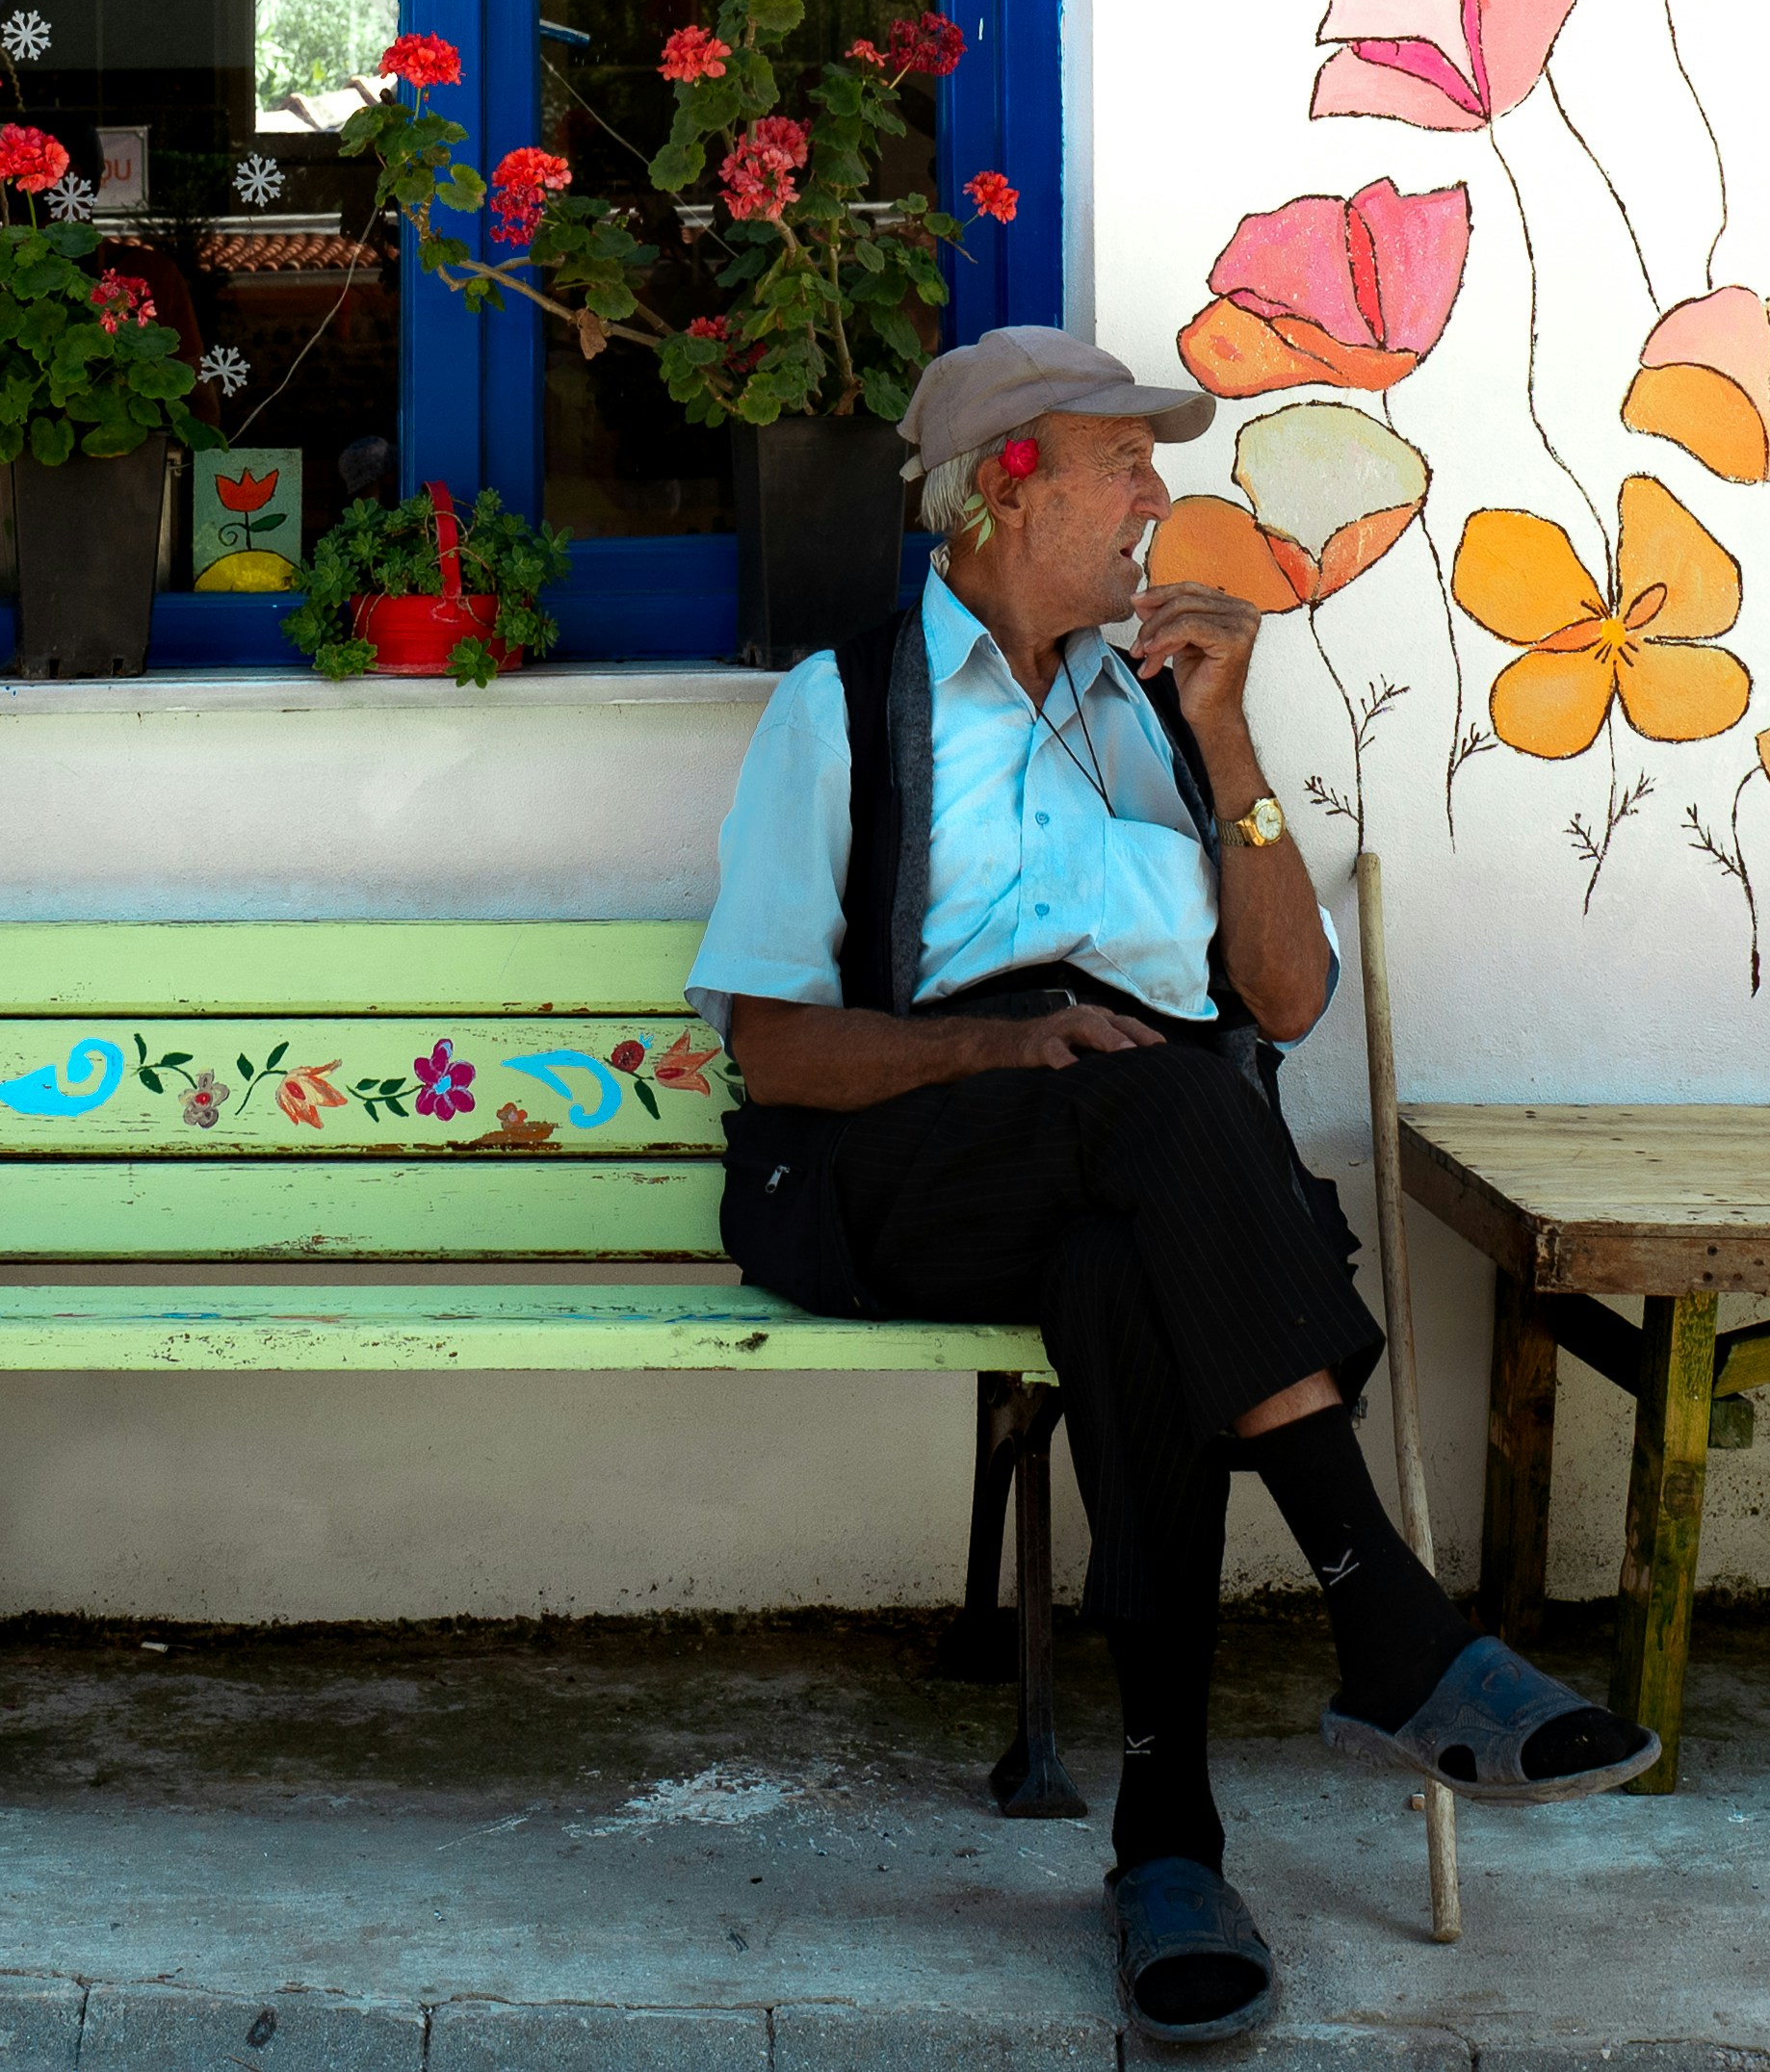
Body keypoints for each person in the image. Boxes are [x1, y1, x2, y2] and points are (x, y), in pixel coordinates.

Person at [686, 327, 1658, 2043]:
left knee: (1127, 1256)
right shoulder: (839, 709)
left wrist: (1229, 744)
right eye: (1121, 464)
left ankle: (1168, 1840)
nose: (1157, 497)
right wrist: (1004, 1046)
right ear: (1003, 488)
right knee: (1159, 1116)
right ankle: (1388, 1621)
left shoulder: (1154, 707)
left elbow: (1282, 1000)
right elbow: (773, 1050)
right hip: (909, 1154)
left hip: (1141, 1165)